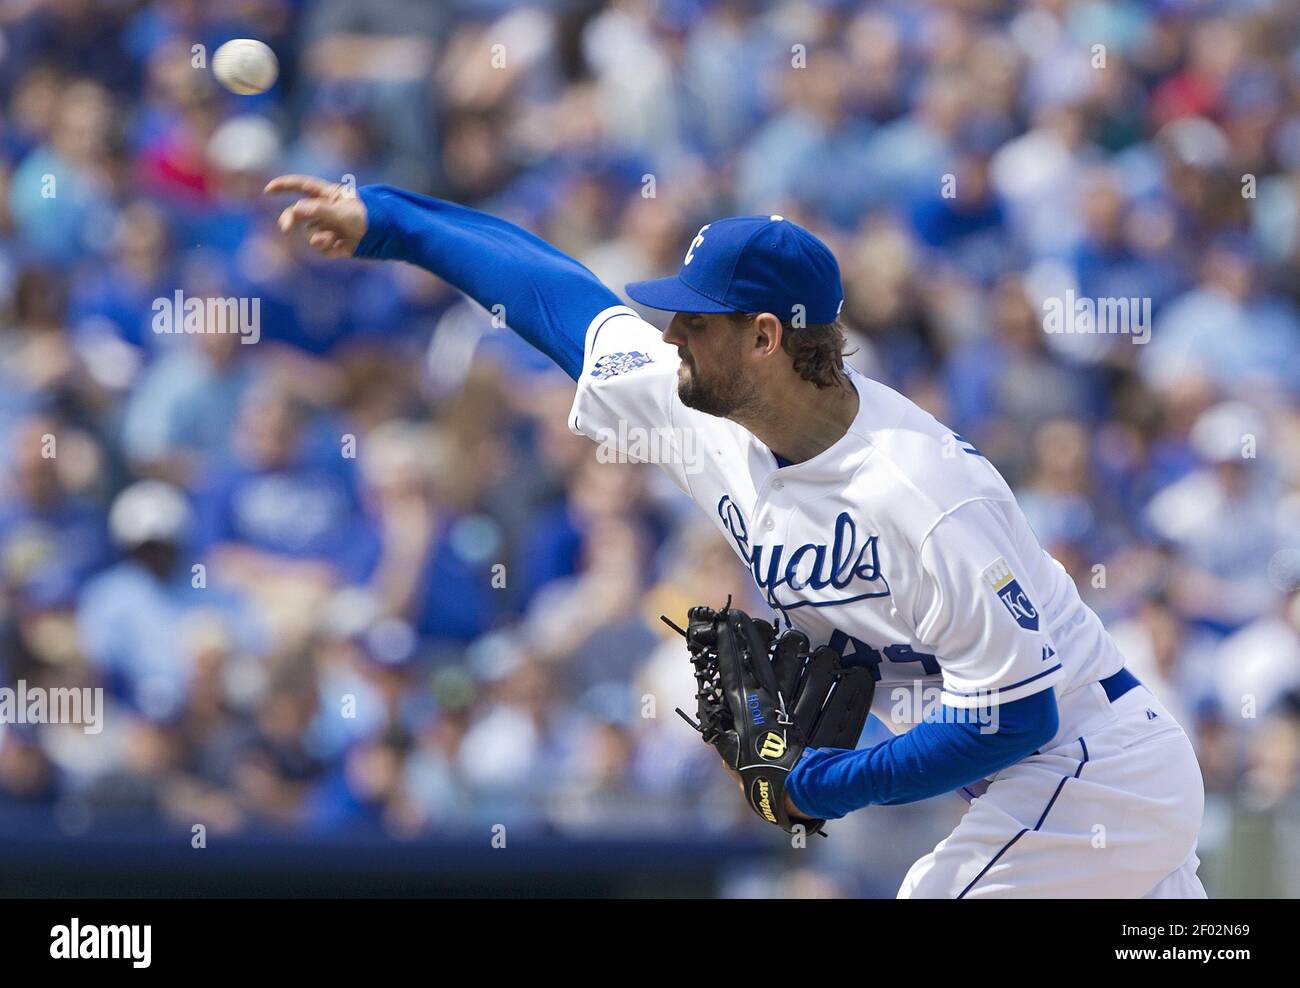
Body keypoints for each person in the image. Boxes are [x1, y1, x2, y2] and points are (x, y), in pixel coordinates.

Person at [263, 174, 1207, 899]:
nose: (670, 331)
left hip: (1088, 772)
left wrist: (826, 784)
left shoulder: (924, 490)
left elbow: (1018, 718)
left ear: (764, 338)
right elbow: (556, 297)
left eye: (695, 319)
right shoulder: (704, 411)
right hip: (1050, 785)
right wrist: (388, 219)